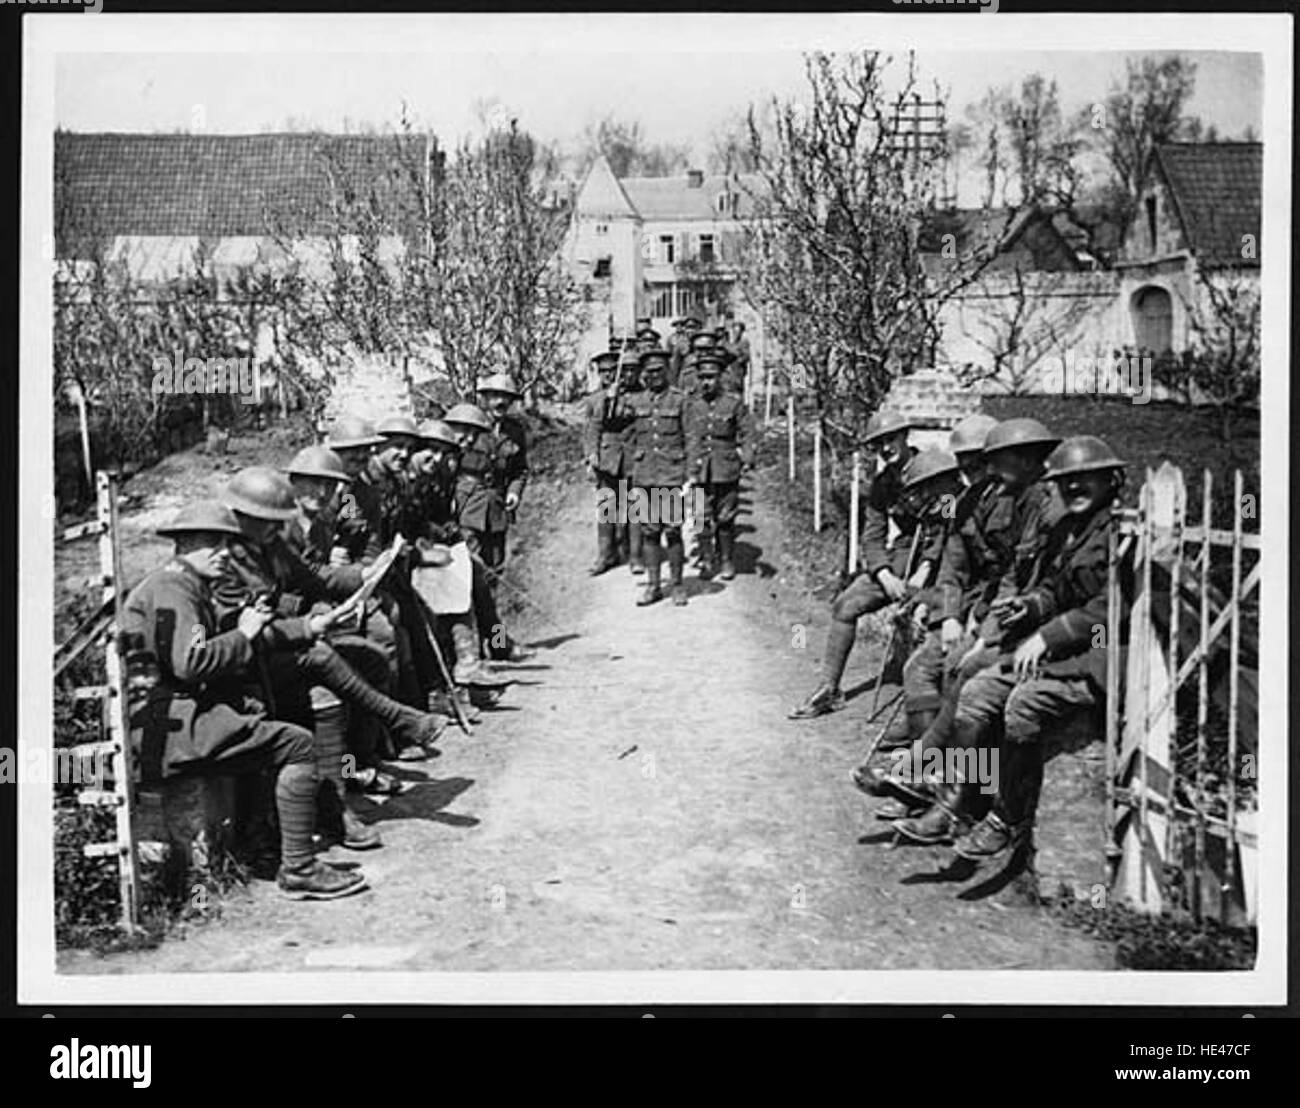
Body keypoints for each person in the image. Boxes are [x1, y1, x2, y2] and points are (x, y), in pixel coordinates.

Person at [121, 500, 369, 899]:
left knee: (261, 712)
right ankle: (300, 869)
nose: (223, 554)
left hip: (174, 716)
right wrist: (246, 632)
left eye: (226, 544)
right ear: (184, 544)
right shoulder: (172, 587)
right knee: (298, 745)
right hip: (167, 726)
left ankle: (262, 842)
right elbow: (191, 661)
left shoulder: (185, 583)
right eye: (212, 544)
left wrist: (285, 626)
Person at [912, 437, 1127, 860]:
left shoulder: (1119, 531)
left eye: (1085, 480)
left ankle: (1006, 818)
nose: (1074, 489)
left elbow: (1109, 608)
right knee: (976, 692)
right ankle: (953, 803)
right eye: (1067, 482)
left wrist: (1050, 634)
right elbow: (1054, 587)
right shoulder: (1072, 530)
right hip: (1063, 652)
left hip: (1103, 654)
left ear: (1109, 480)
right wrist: (1027, 607)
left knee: (1021, 704)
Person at [213, 466, 447, 787]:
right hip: (250, 660)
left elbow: (316, 576)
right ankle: (399, 721)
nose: (322, 493)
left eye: (328, 485)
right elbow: (245, 623)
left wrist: (364, 574)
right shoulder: (223, 560)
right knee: (327, 662)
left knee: (373, 657)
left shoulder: (277, 541)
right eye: (269, 519)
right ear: (244, 515)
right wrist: (308, 622)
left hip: (289, 637)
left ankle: (361, 763)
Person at [789, 410, 936, 720]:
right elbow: (872, 536)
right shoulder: (883, 484)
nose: (885, 448)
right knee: (845, 605)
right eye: (878, 443)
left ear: (905, 436)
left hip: (937, 562)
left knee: (923, 622)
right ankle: (829, 689)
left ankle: (927, 708)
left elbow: (950, 530)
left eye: (891, 439)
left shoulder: (936, 471)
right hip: (899, 559)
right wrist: (884, 574)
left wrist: (926, 569)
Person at [625, 348, 692, 607]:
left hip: (671, 475)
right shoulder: (637, 402)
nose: (654, 376)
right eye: (649, 372)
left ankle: (677, 585)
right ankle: (653, 586)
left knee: (673, 531)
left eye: (658, 371)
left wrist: (690, 472)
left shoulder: (680, 400)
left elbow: (691, 437)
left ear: (667, 371)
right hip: (645, 475)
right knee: (649, 533)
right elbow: (627, 436)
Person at [684, 352, 752, 580]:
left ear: (720, 377)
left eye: (711, 377)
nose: (706, 382)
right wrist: (687, 468)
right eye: (702, 377)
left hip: (726, 466)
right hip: (699, 467)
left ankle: (726, 560)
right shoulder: (691, 405)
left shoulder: (733, 404)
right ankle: (705, 558)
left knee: (725, 517)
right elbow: (685, 436)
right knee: (701, 515)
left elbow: (747, 432)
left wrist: (747, 457)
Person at [583, 350, 636, 576]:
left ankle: (635, 554)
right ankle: (606, 555)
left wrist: (618, 399)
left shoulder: (633, 395)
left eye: (612, 371)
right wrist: (590, 458)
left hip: (632, 457)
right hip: (607, 458)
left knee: (634, 507)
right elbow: (591, 429)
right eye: (603, 371)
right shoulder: (594, 399)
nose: (607, 375)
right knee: (607, 509)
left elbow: (633, 417)